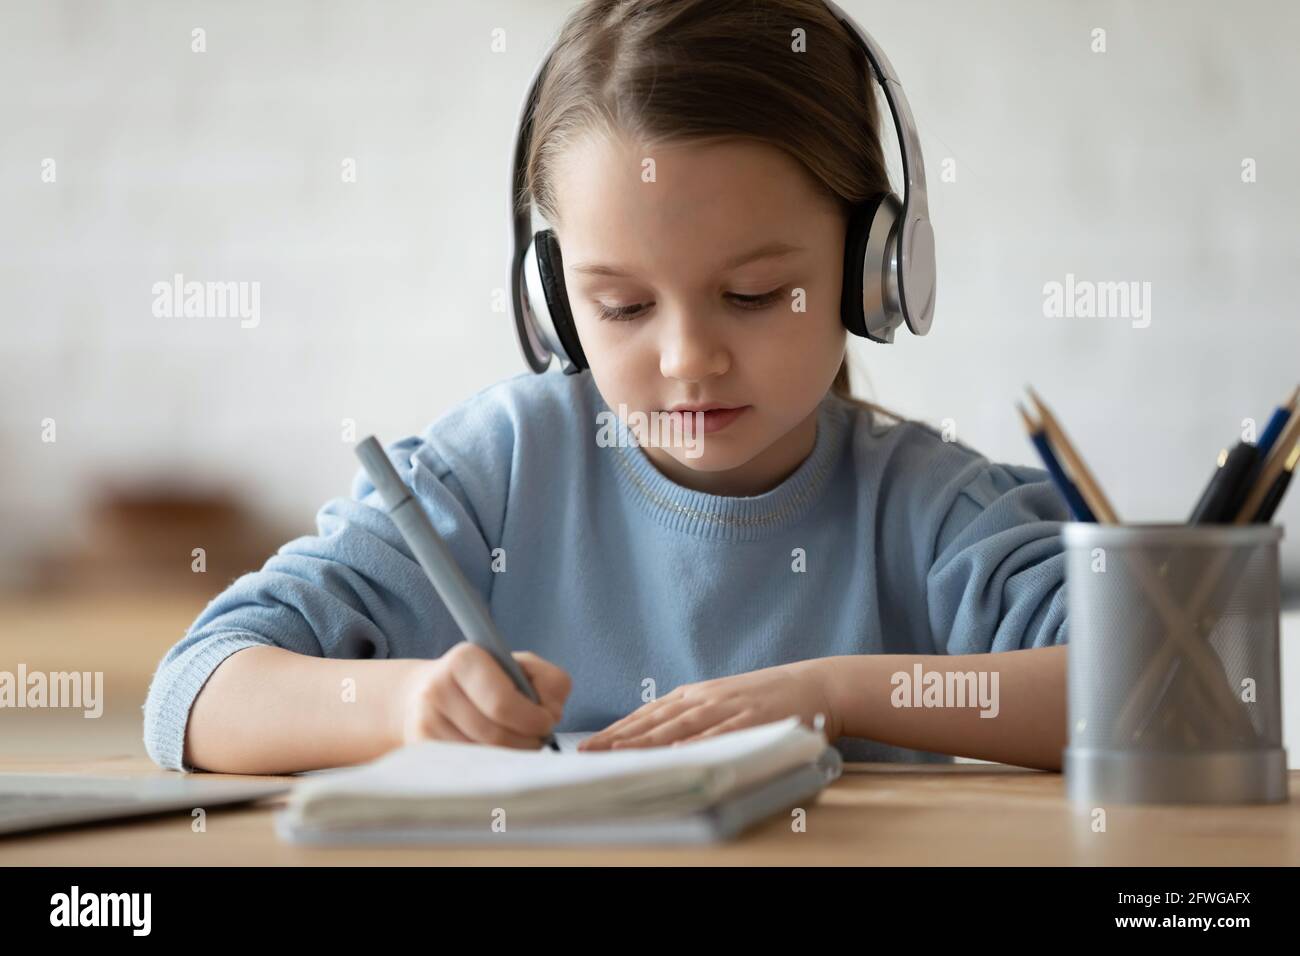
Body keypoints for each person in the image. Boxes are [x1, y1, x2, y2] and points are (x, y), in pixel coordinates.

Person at [143, 0, 1070, 776]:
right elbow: (195, 690)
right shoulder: (494, 474)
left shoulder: (931, 510)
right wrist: (409, 704)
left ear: (875, 270)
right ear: (555, 301)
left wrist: (828, 694)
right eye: (623, 306)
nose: (688, 359)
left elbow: (1167, 686)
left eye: (750, 295)